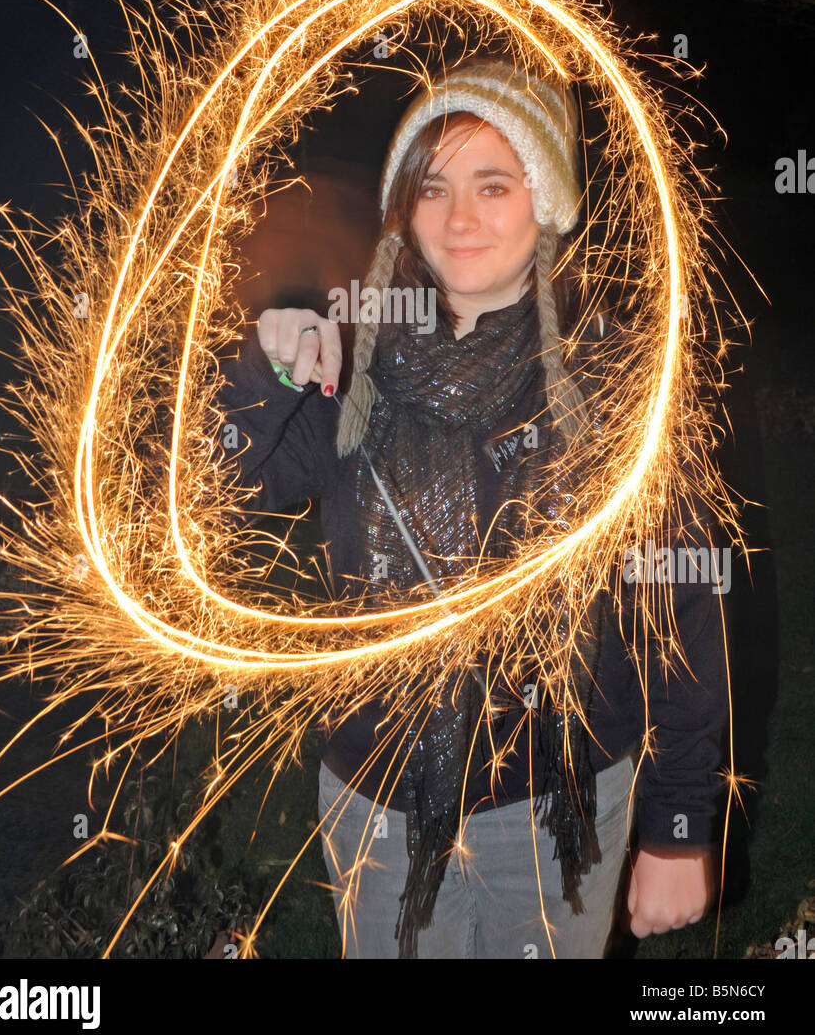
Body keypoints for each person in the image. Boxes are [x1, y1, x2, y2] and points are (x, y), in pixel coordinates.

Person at [219, 56, 727, 959]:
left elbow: (680, 611)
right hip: (376, 800)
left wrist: (679, 823)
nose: (459, 218)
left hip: (562, 802)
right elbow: (221, 495)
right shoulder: (347, 362)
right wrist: (264, 372)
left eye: (494, 185)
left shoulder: (616, 382)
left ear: (551, 201)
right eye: (434, 187)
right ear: (403, 205)